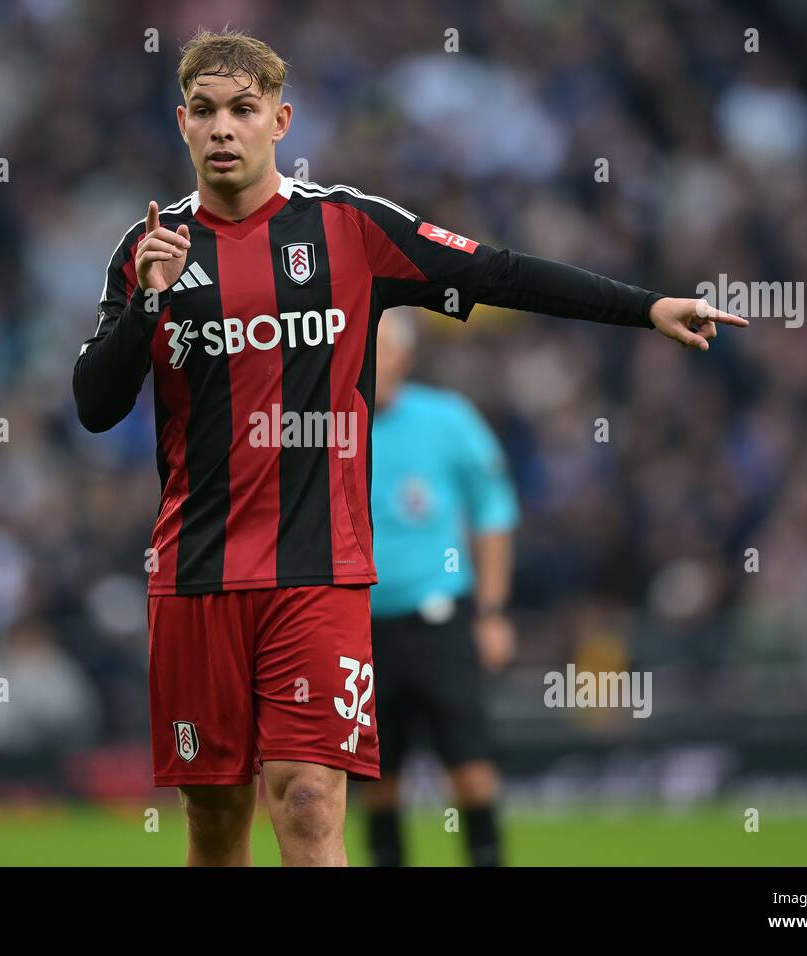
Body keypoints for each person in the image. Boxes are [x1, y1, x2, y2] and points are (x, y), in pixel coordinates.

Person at [72, 27, 747, 867]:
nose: (222, 128)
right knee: (215, 823)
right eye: (204, 111)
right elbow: (95, 407)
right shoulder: (150, 251)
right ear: (181, 124)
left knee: (312, 802)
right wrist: (144, 305)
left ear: (279, 120)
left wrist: (644, 307)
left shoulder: (352, 228)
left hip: (317, 574)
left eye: (243, 110)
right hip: (195, 574)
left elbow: (499, 271)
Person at [364, 308, 518, 867]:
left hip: (439, 619)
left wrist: (493, 611)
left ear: (403, 357)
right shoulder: (329, 424)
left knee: (472, 770)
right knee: (377, 782)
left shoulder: (447, 420)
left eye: (377, 348)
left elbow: (494, 511)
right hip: (359, 629)